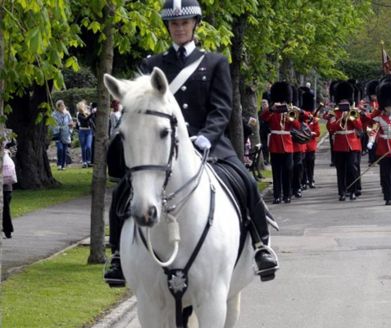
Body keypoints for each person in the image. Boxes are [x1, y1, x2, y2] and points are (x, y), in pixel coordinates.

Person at [104, 0, 279, 286]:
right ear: (168, 27)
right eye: (174, 24)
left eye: (184, 23)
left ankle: (261, 246)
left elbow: (222, 107)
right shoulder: (151, 65)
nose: (180, 28)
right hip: (161, 144)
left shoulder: (215, 62)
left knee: (245, 181)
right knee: (124, 189)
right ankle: (116, 257)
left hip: (207, 142)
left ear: (195, 25)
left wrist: (207, 136)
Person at [261, 81, 300, 204]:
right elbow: (263, 118)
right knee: (276, 171)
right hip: (275, 144)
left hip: (287, 145)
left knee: (288, 170)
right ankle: (277, 195)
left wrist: (290, 116)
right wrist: (271, 109)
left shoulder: (290, 110)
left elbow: (297, 125)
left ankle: (287, 195)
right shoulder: (272, 110)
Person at [326, 80, 363, 201]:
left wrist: (350, 117)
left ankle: (352, 190)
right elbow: (331, 128)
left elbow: (359, 126)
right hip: (339, 145)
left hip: (352, 144)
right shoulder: (334, 113)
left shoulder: (353, 112)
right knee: (340, 169)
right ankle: (342, 192)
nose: (344, 102)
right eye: (342, 101)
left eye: (346, 100)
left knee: (352, 168)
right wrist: (341, 119)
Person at [52, 99, 73, 170]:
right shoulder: (54, 114)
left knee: (64, 150)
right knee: (60, 149)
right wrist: (59, 128)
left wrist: (70, 129)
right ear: (58, 107)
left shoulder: (67, 113)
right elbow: (53, 125)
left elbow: (71, 122)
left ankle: (63, 165)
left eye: (63, 105)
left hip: (66, 134)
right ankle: (59, 164)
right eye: (61, 106)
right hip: (58, 134)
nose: (63, 107)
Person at [2, 140, 16, 239]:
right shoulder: (7, 152)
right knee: (6, 209)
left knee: (5, 208)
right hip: (7, 186)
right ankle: (7, 230)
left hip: (5, 185)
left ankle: (7, 229)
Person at [76, 100, 95, 168]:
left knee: (88, 147)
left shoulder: (87, 112)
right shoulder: (79, 114)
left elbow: (91, 120)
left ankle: (89, 161)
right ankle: (84, 162)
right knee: (83, 148)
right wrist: (91, 114)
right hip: (82, 131)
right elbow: (84, 120)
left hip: (89, 131)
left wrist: (91, 113)